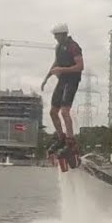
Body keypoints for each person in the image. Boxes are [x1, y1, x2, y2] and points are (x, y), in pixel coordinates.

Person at [44, 23, 83, 154]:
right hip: (62, 80)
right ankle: (61, 138)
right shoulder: (58, 47)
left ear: (63, 34)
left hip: (72, 80)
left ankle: (71, 141)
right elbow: (56, 62)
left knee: (64, 111)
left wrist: (61, 69)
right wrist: (47, 77)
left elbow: (80, 66)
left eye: (57, 35)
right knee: (53, 112)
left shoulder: (74, 47)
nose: (55, 38)